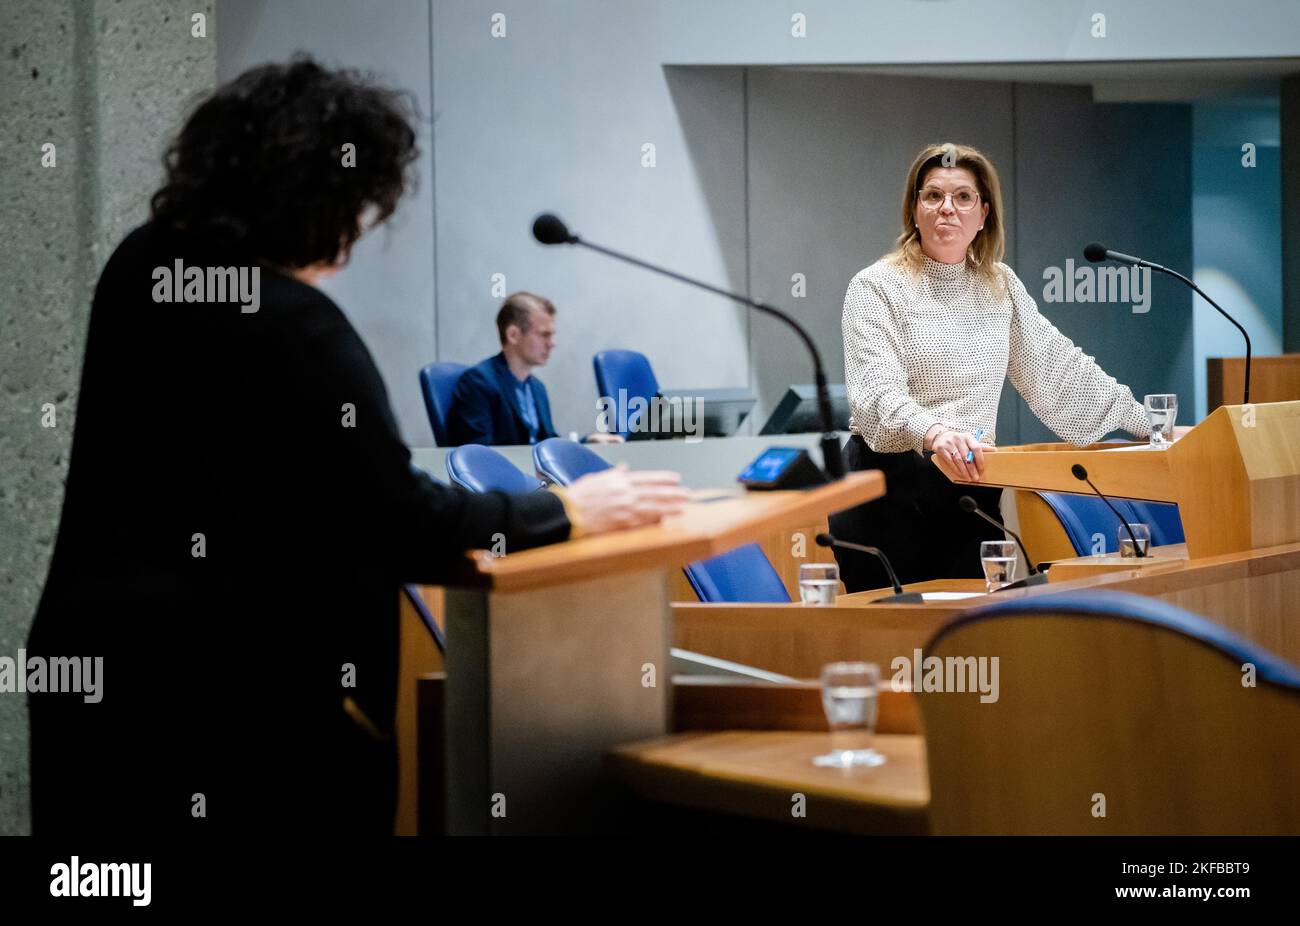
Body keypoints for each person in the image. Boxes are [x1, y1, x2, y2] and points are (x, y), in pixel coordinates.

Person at [25, 57, 687, 835]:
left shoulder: (139, 268)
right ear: (323, 196)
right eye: (364, 209)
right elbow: (402, 522)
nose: (358, 233)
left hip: (102, 678)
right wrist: (565, 511)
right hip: (247, 717)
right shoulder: (295, 327)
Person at [828, 142, 1152, 593]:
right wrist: (934, 432)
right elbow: (876, 395)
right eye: (933, 196)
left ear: (983, 214)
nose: (947, 209)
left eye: (963, 197)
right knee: (900, 648)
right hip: (888, 493)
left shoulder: (999, 285)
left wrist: (1149, 424)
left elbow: (1058, 371)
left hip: (969, 490)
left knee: (974, 635)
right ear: (914, 209)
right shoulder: (875, 286)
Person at [445, 292, 621, 446]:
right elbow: (479, 454)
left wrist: (586, 443)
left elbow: (547, 442)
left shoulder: (537, 387)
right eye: (544, 334)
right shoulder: (478, 382)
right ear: (513, 334)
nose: (552, 343)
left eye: (552, 335)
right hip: (507, 482)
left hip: (538, 480)